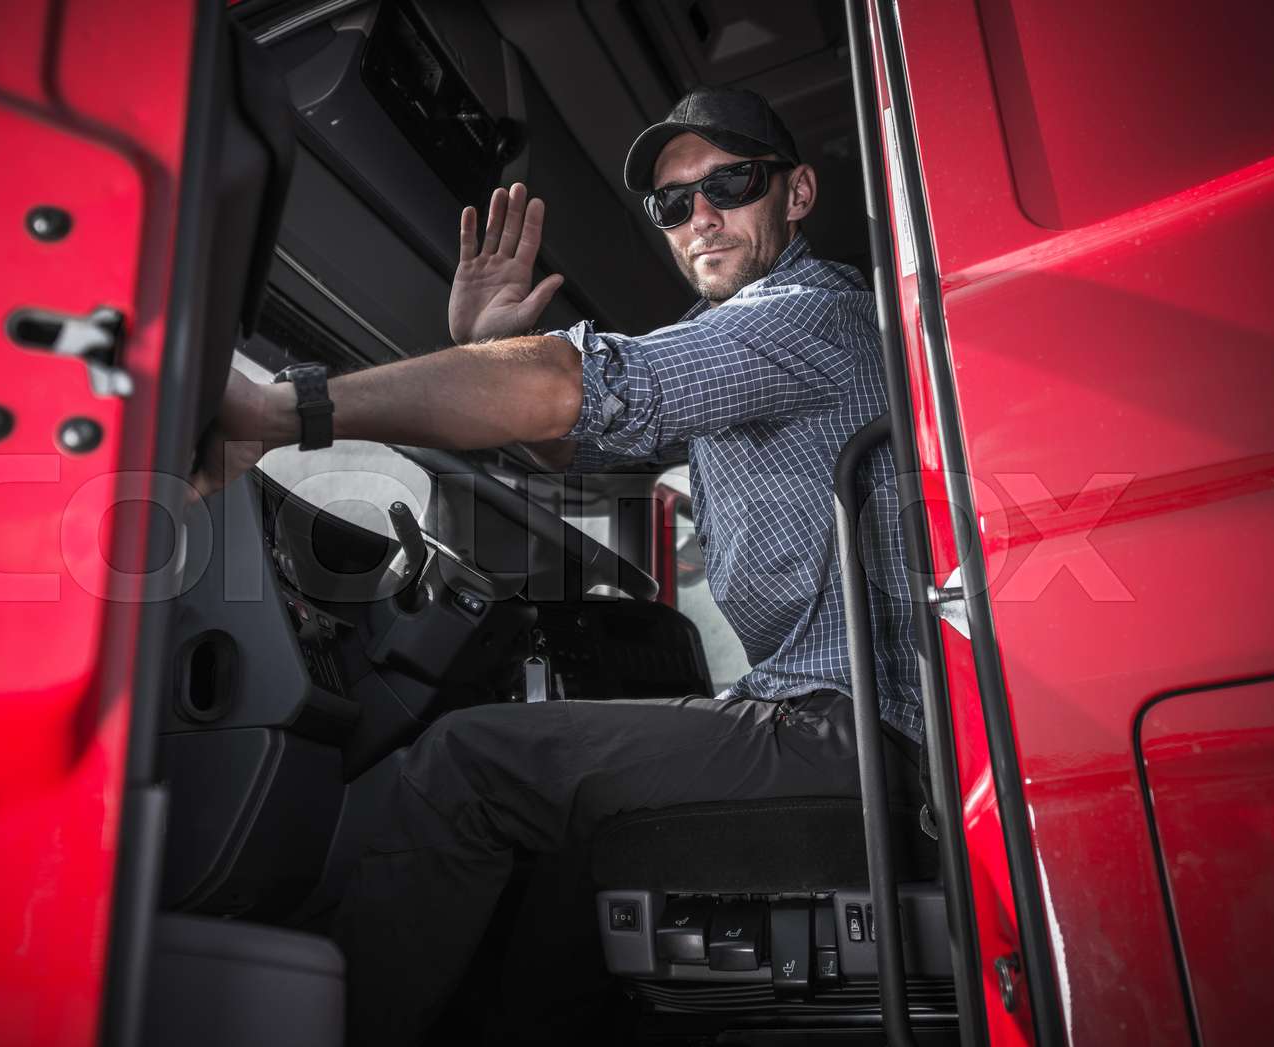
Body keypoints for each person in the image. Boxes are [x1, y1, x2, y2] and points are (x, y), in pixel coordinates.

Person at [193, 86, 922, 1045]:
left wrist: (283, 411)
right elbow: (568, 441)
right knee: (556, 850)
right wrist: (490, 349)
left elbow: (572, 390)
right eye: (672, 203)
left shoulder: (806, 315)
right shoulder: (765, 345)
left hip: (856, 735)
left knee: (465, 763)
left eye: (729, 183)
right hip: (830, 719)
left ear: (795, 194)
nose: (698, 216)